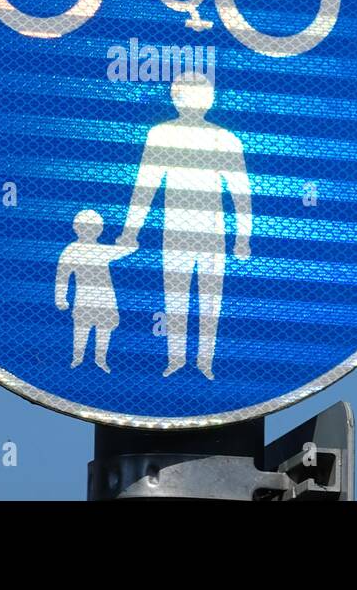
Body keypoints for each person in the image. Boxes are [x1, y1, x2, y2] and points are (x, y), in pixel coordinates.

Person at [116, 74, 251, 380]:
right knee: (175, 296)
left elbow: (240, 191)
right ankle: (176, 359)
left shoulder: (226, 139)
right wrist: (130, 230)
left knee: (210, 299)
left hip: (213, 233)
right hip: (174, 230)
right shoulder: (161, 135)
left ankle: (205, 362)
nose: (199, 100)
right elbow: (145, 185)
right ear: (177, 98)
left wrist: (243, 236)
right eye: (190, 94)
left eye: (204, 94)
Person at [55, 209, 135, 373]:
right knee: (81, 330)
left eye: (94, 227)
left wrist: (130, 244)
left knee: (104, 330)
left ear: (99, 229)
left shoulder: (101, 250)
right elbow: (62, 276)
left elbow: (122, 251)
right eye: (85, 227)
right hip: (83, 301)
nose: (90, 231)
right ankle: (77, 360)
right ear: (77, 228)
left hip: (105, 300)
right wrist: (61, 298)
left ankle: (101, 360)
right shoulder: (72, 250)